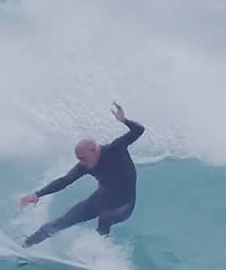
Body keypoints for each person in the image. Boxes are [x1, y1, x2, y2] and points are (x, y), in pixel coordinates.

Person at [20, 102, 145, 247]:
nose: (81, 162)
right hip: (100, 200)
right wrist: (37, 194)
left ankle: (99, 255)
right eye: (79, 159)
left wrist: (124, 121)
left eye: (83, 158)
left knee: (105, 219)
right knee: (62, 221)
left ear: (94, 150)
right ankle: (25, 246)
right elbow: (65, 180)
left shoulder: (115, 149)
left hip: (124, 203)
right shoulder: (84, 166)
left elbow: (139, 130)